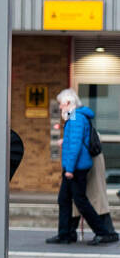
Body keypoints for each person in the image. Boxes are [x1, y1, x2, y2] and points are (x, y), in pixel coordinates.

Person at [48, 89, 118, 245]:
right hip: (73, 166)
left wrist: (70, 170)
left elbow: (76, 145)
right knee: (64, 199)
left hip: (76, 168)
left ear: (68, 103)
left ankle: (103, 232)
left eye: (61, 104)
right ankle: (65, 234)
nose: (59, 107)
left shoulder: (76, 118)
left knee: (80, 201)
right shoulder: (74, 117)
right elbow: (73, 140)